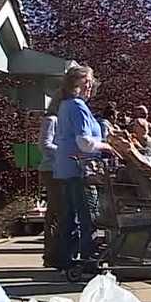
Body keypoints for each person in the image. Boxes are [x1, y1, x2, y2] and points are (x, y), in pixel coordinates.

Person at [54, 64, 113, 267]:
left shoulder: (65, 105)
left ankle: (65, 259)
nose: (90, 86)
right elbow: (85, 143)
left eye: (91, 82)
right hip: (80, 168)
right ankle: (87, 257)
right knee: (88, 214)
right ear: (76, 83)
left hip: (67, 167)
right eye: (87, 82)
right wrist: (107, 146)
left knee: (70, 216)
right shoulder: (77, 106)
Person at [37, 104, 64, 268]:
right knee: (55, 212)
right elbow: (44, 144)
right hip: (51, 170)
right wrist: (64, 151)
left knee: (59, 213)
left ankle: (55, 252)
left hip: (60, 170)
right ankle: (50, 254)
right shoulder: (51, 120)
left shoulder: (62, 121)